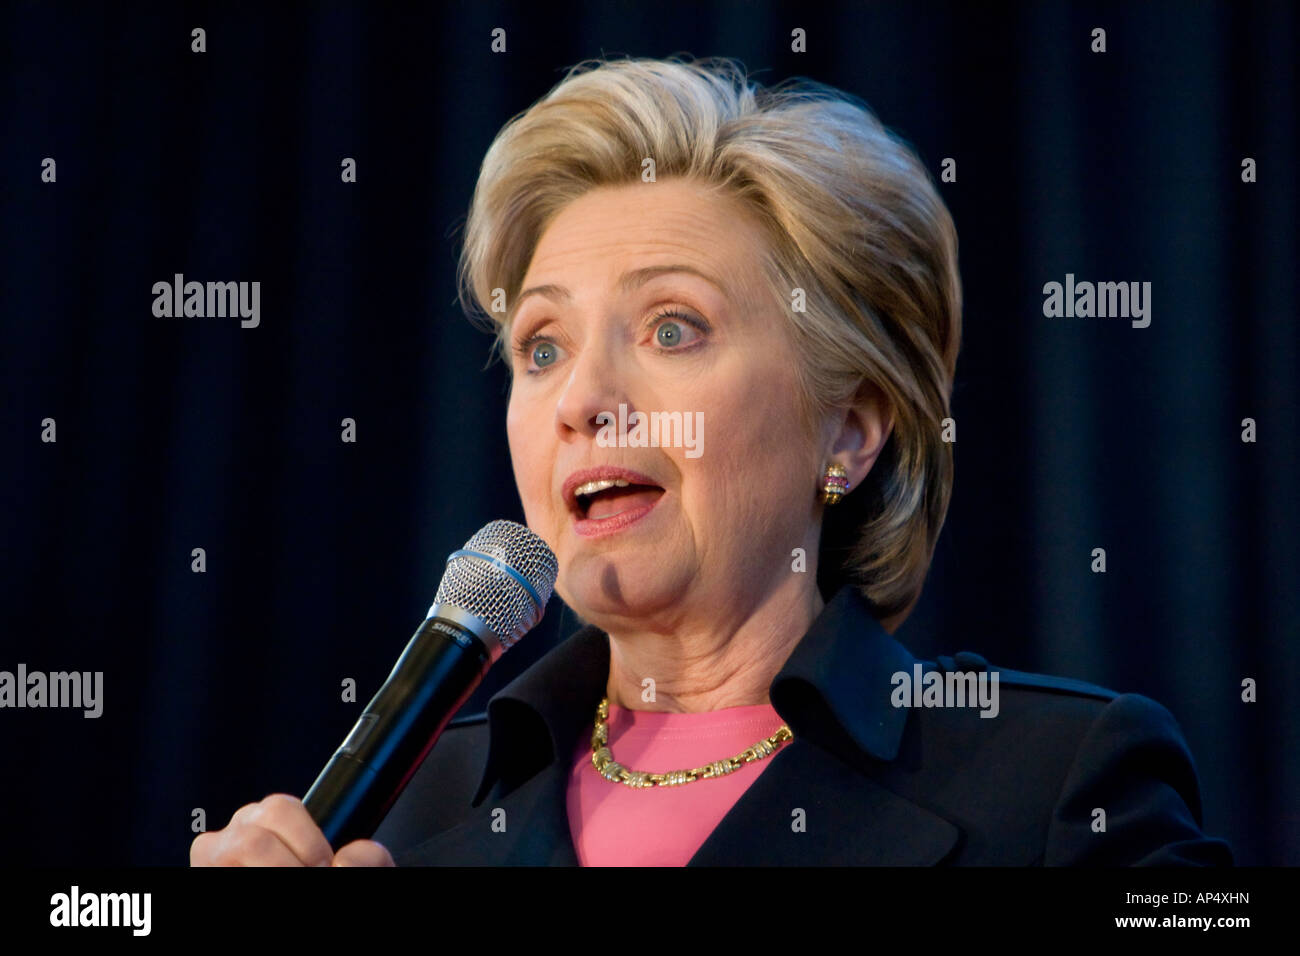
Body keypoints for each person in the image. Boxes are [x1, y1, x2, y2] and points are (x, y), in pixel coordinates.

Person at [191, 55, 1231, 867]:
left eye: (673, 327)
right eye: (540, 347)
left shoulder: (1053, 781)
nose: (583, 400)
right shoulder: (402, 813)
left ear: (849, 431)